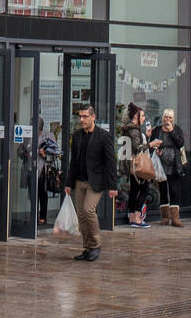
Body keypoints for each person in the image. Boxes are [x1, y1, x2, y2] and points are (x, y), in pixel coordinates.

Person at [64, 106, 117, 261]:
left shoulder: (103, 136)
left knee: (88, 211)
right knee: (81, 215)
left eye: (85, 116)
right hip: (79, 181)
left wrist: (112, 186)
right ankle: (87, 247)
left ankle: (95, 245)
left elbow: (111, 162)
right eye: (80, 116)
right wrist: (69, 182)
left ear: (93, 117)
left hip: (95, 182)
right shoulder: (77, 136)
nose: (82, 120)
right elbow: (73, 161)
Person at [150, 107, 186, 226]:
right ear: (162, 118)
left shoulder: (177, 129)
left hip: (174, 165)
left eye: (170, 118)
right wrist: (157, 150)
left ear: (173, 119)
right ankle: (165, 217)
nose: (168, 120)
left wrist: (171, 131)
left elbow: (180, 143)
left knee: (174, 190)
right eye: (166, 117)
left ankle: (175, 218)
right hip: (160, 165)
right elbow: (152, 143)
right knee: (163, 190)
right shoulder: (157, 130)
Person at [121, 103, 151, 227]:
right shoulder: (134, 130)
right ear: (136, 116)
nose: (144, 118)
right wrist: (151, 143)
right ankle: (137, 218)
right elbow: (137, 147)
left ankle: (132, 217)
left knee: (134, 190)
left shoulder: (129, 128)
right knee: (144, 188)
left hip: (131, 164)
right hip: (136, 164)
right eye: (142, 115)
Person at [37, 116, 59, 225]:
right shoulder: (29, 135)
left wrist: (44, 155)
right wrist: (24, 153)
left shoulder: (48, 135)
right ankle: (34, 216)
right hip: (32, 169)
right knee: (33, 194)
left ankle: (42, 216)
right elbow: (20, 150)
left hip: (44, 170)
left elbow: (55, 153)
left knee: (42, 193)